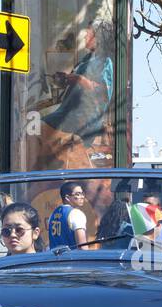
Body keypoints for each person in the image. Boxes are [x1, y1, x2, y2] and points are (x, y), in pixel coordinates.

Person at [40, 20, 115, 150]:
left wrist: (79, 79)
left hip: (82, 118)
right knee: (37, 130)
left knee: (38, 129)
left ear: (98, 37)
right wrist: (66, 78)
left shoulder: (106, 62)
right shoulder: (87, 59)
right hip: (67, 112)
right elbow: (77, 81)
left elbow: (104, 94)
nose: (85, 35)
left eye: (89, 32)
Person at [47, 181, 89, 249]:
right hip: (72, 258)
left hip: (54, 258)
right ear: (67, 198)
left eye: (82, 193)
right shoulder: (76, 214)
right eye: (78, 194)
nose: (82, 197)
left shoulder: (53, 214)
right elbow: (82, 247)